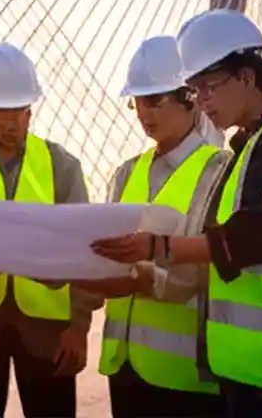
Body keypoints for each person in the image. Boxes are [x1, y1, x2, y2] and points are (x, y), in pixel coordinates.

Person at [91, 10, 262, 418]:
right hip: (252, 362)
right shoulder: (250, 149)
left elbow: (254, 239)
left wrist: (156, 247)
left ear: (248, 79)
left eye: (209, 87)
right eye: (195, 89)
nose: (202, 101)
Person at [74, 35, 228, 418]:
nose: (144, 113)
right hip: (124, 365)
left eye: (155, 100)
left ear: (190, 97)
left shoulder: (218, 171)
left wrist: (144, 279)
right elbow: (105, 253)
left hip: (185, 374)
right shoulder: (126, 173)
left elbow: (213, 263)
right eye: (138, 102)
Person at [0, 42, 96, 418]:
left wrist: (79, 327)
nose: (13, 121)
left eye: (20, 110)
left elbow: (85, 250)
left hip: (49, 333)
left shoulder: (62, 165)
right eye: (2, 110)